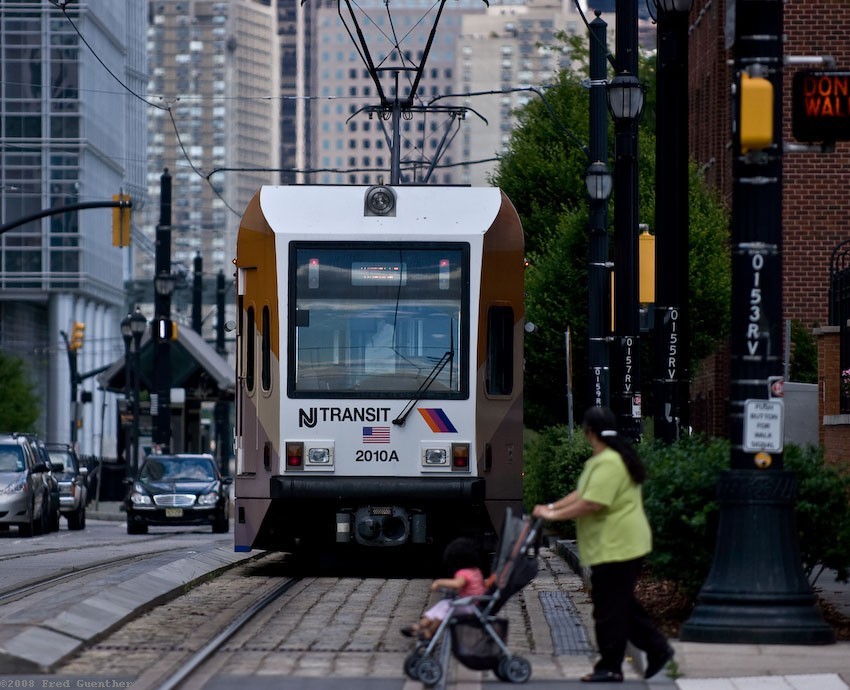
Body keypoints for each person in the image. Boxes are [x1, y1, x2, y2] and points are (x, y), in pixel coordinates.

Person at [532, 406, 673, 683]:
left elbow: (592, 502)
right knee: (620, 604)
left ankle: (611, 665)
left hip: (618, 545)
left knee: (609, 608)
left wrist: (552, 515)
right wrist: (550, 507)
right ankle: (657, 649)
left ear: (589, 432)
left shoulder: (609, 462)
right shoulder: (604, 460)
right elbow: (581, 493)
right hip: (613, 545)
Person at [401, 537, 486, 640]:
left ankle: (430, 631)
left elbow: (458, 584)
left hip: (469, 606)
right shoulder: (476, 571)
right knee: (443, 604)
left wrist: (439, 582)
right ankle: (421, 625)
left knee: (445, 606)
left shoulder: (463, 573)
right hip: (475, 604)